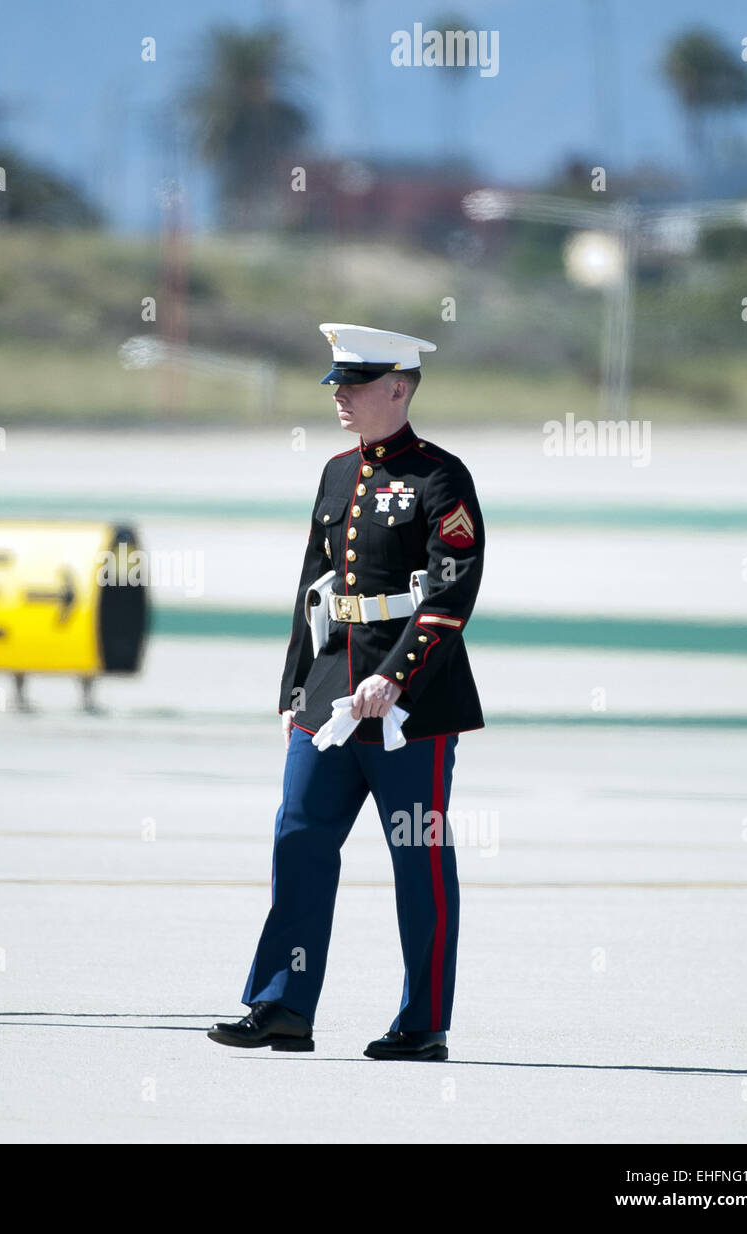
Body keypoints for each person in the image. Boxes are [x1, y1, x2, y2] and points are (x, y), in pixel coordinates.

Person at [208, 323, 485, 1061]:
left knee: (417, 859)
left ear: (398, 388)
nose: (341, 398)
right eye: (338, 385)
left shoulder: (441, 479)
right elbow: (313, 585)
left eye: (355, 386)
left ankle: (423, 1024)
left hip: (412, 707)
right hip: (330, 696)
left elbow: (452, 596)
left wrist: (394, 676)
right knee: (299, 838)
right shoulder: (336, 473)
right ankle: (281, 1006)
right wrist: (296, 686)